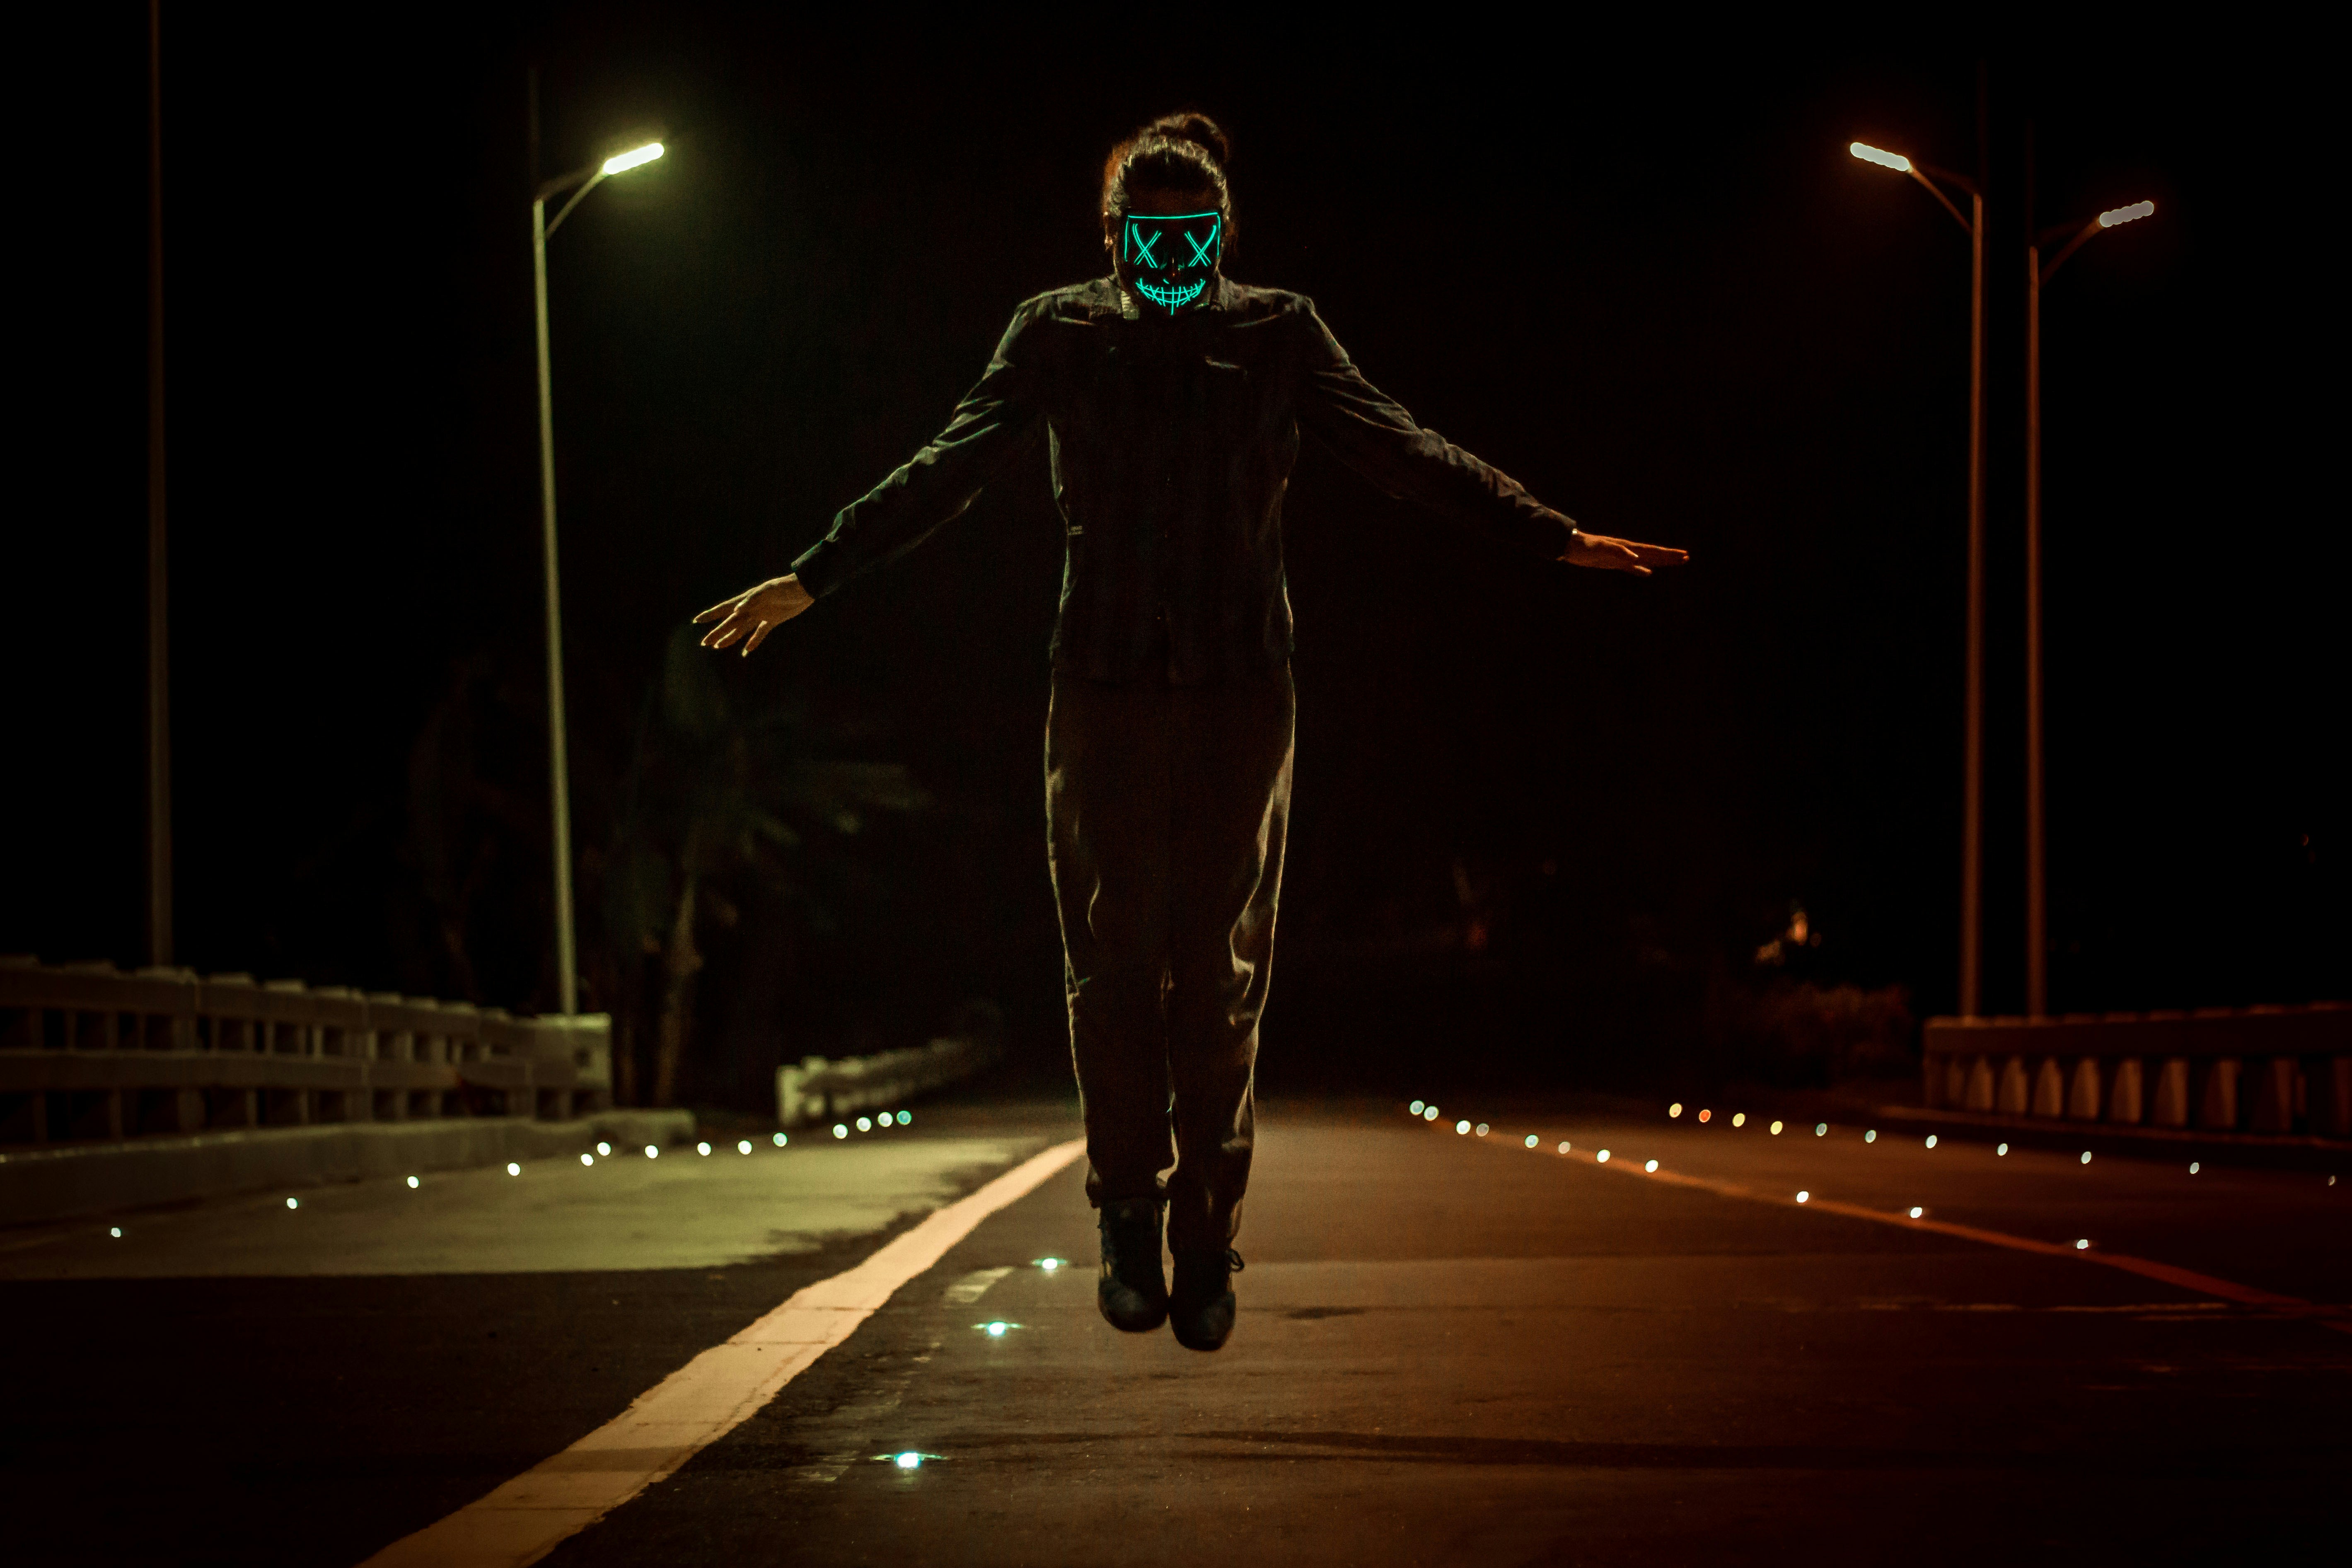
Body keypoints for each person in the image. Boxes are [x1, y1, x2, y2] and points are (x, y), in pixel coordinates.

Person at [695, 111, 1685, 1352]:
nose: (1175, 263)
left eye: (1196, 239)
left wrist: (1548, 531)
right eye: (1151, 239)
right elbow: (949, 465)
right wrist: (814, 575)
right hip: (1102, 683)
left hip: (1239, 688)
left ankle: (1207, 1228)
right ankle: (1126, 1210)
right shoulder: (1057, 331)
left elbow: (1400, 447)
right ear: (1113, 242)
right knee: (1111, 962)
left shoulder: (1278, 332)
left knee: (1218, 971)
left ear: (1225, 237)